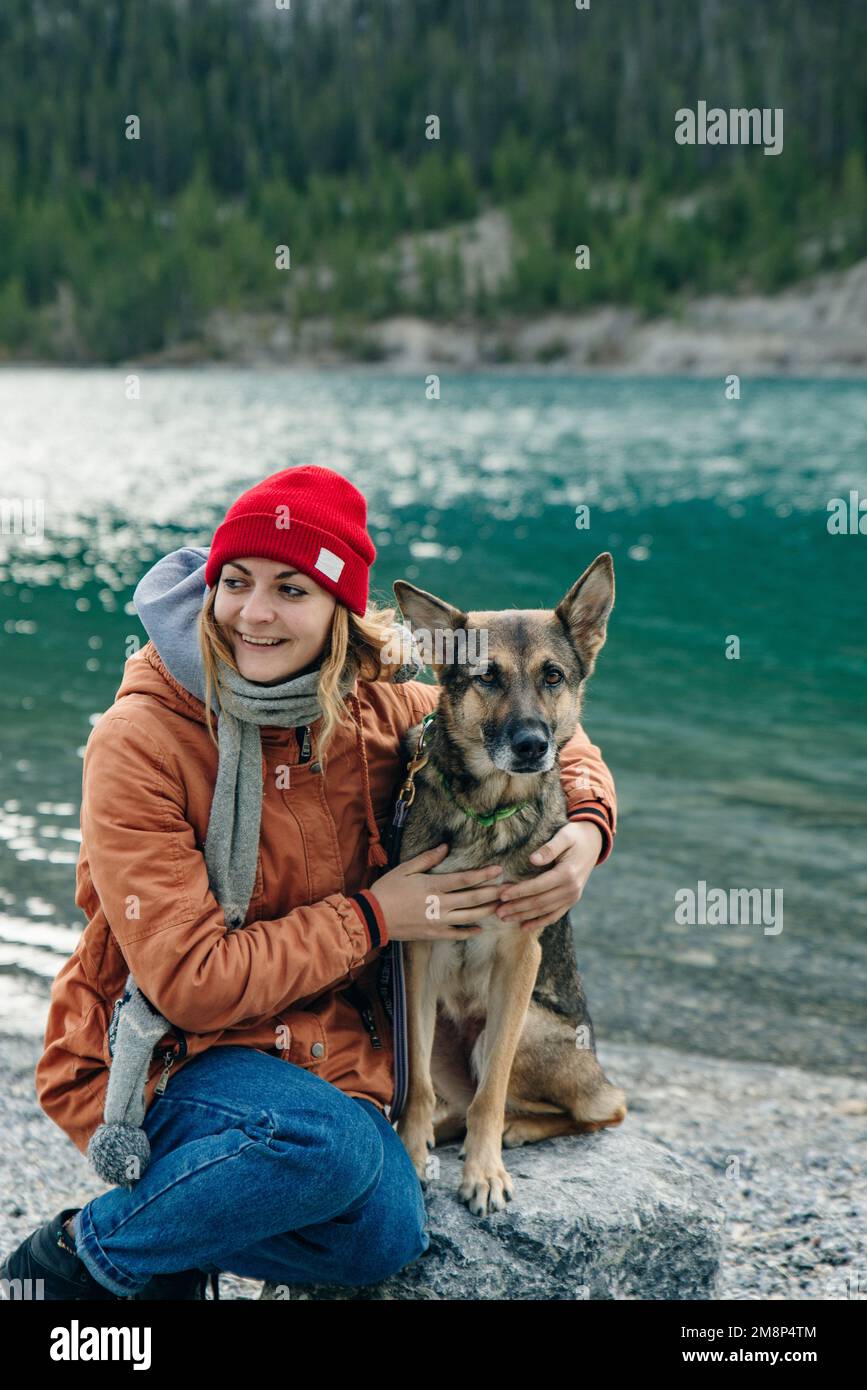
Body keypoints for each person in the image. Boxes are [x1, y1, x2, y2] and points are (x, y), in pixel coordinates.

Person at [0, 464, 617, 1301]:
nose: (254, 613)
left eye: (292, 588)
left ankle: (177, 1247)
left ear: (338, 612)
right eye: (235, 582)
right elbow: (189, 980)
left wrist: (584, 831)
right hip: (167, 1052)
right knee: (326, 1151)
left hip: (325, 1058)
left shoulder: (370, 707)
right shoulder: (141, 738)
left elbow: (536, 736)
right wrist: (374, 918)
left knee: (385, 1233)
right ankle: (82, 1258)